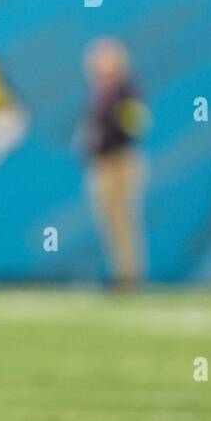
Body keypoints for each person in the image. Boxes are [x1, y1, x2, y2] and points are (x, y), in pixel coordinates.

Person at [81, 38, 149, 287]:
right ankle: (119, 273)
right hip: (101, 162)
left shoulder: (126, 90)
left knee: (124, 220)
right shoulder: (97, 91)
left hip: (120, 160)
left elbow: (135, 124)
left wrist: (110, 136)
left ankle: (128, 276)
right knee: (108, 221)